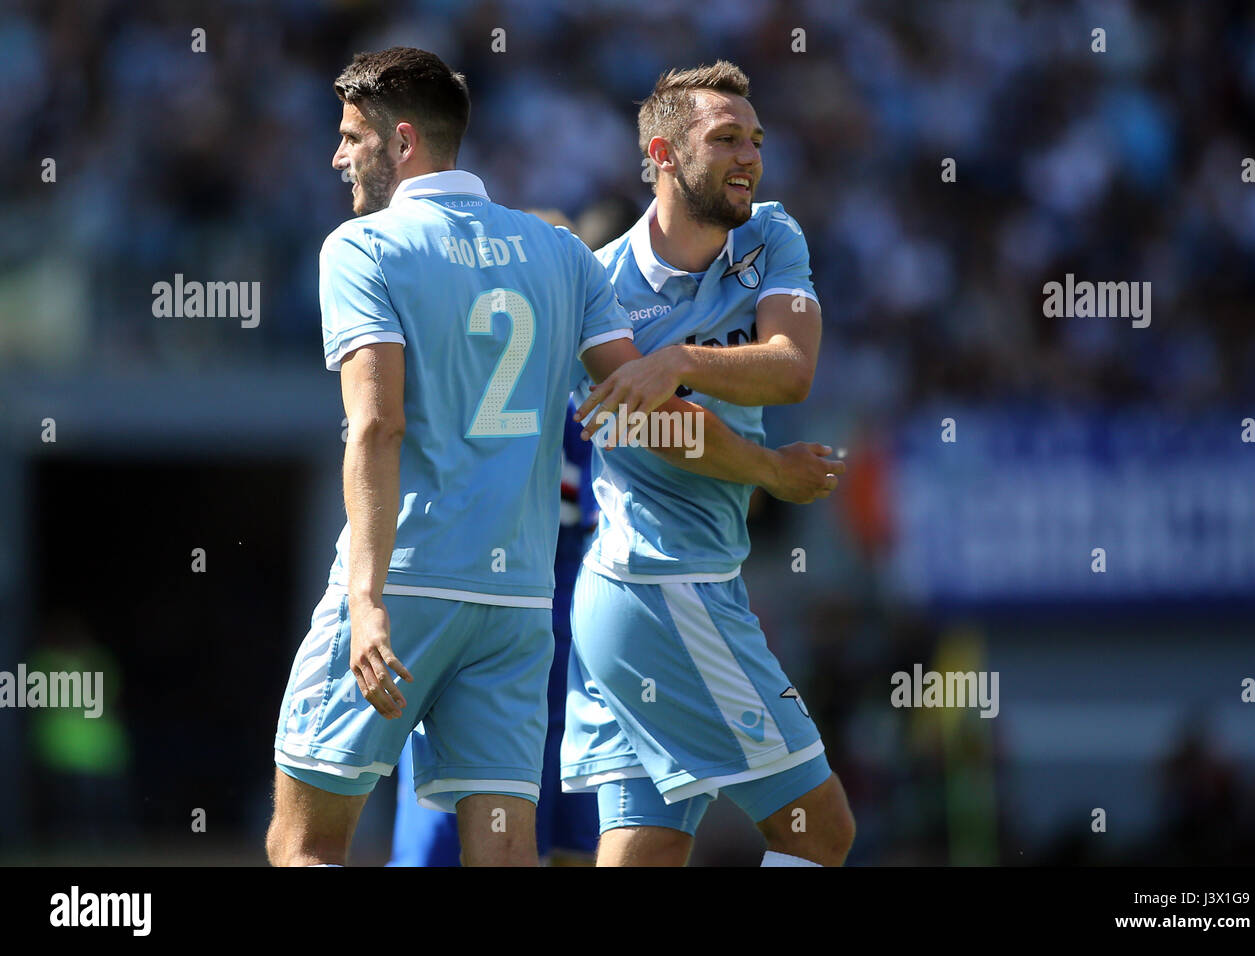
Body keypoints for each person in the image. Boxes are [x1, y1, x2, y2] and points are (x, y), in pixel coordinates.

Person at [265, 47, 835, 866]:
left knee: (307, 846)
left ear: (401, 142)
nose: (336, 156)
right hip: (519, 606)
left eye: (350, 136)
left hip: (408, 581)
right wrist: (767, 469)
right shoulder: (560, 255)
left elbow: (377, 428)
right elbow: (649, 417)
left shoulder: (361, 249)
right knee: (504, 854)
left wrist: (365, 598)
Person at [561, 61, 855, 866]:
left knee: (644, 850)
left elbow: (792, 366)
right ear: (662, 153)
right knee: (820, 830)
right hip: (661, 586)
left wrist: (676, 358)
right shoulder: (601, 286)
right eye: (724, 138)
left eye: (755, 140)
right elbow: (662, 428)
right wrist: (766, 468)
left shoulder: (770, 234)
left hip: (659, 587)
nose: (749, 157)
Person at [387, 399, 599, 867]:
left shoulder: (583, 389)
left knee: (572, 837)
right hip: (464, 600)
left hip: (564, 612)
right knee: (444, 831)